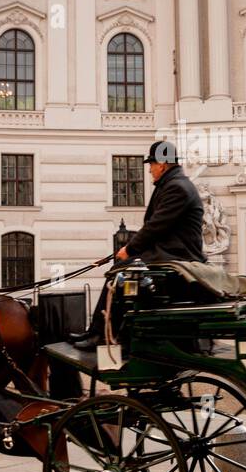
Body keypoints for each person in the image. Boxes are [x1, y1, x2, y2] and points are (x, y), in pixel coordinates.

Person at [70, 141, 204, 351]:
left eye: (151, 164)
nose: (149, 169)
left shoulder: (176, 187)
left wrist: (129, 249)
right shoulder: (175, 184)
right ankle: (98, 331)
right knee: (121, 271)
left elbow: (155, 227)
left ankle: (102, 334)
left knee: (120, 273)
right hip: (171, 253)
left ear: (162, 164)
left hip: (177, 257)